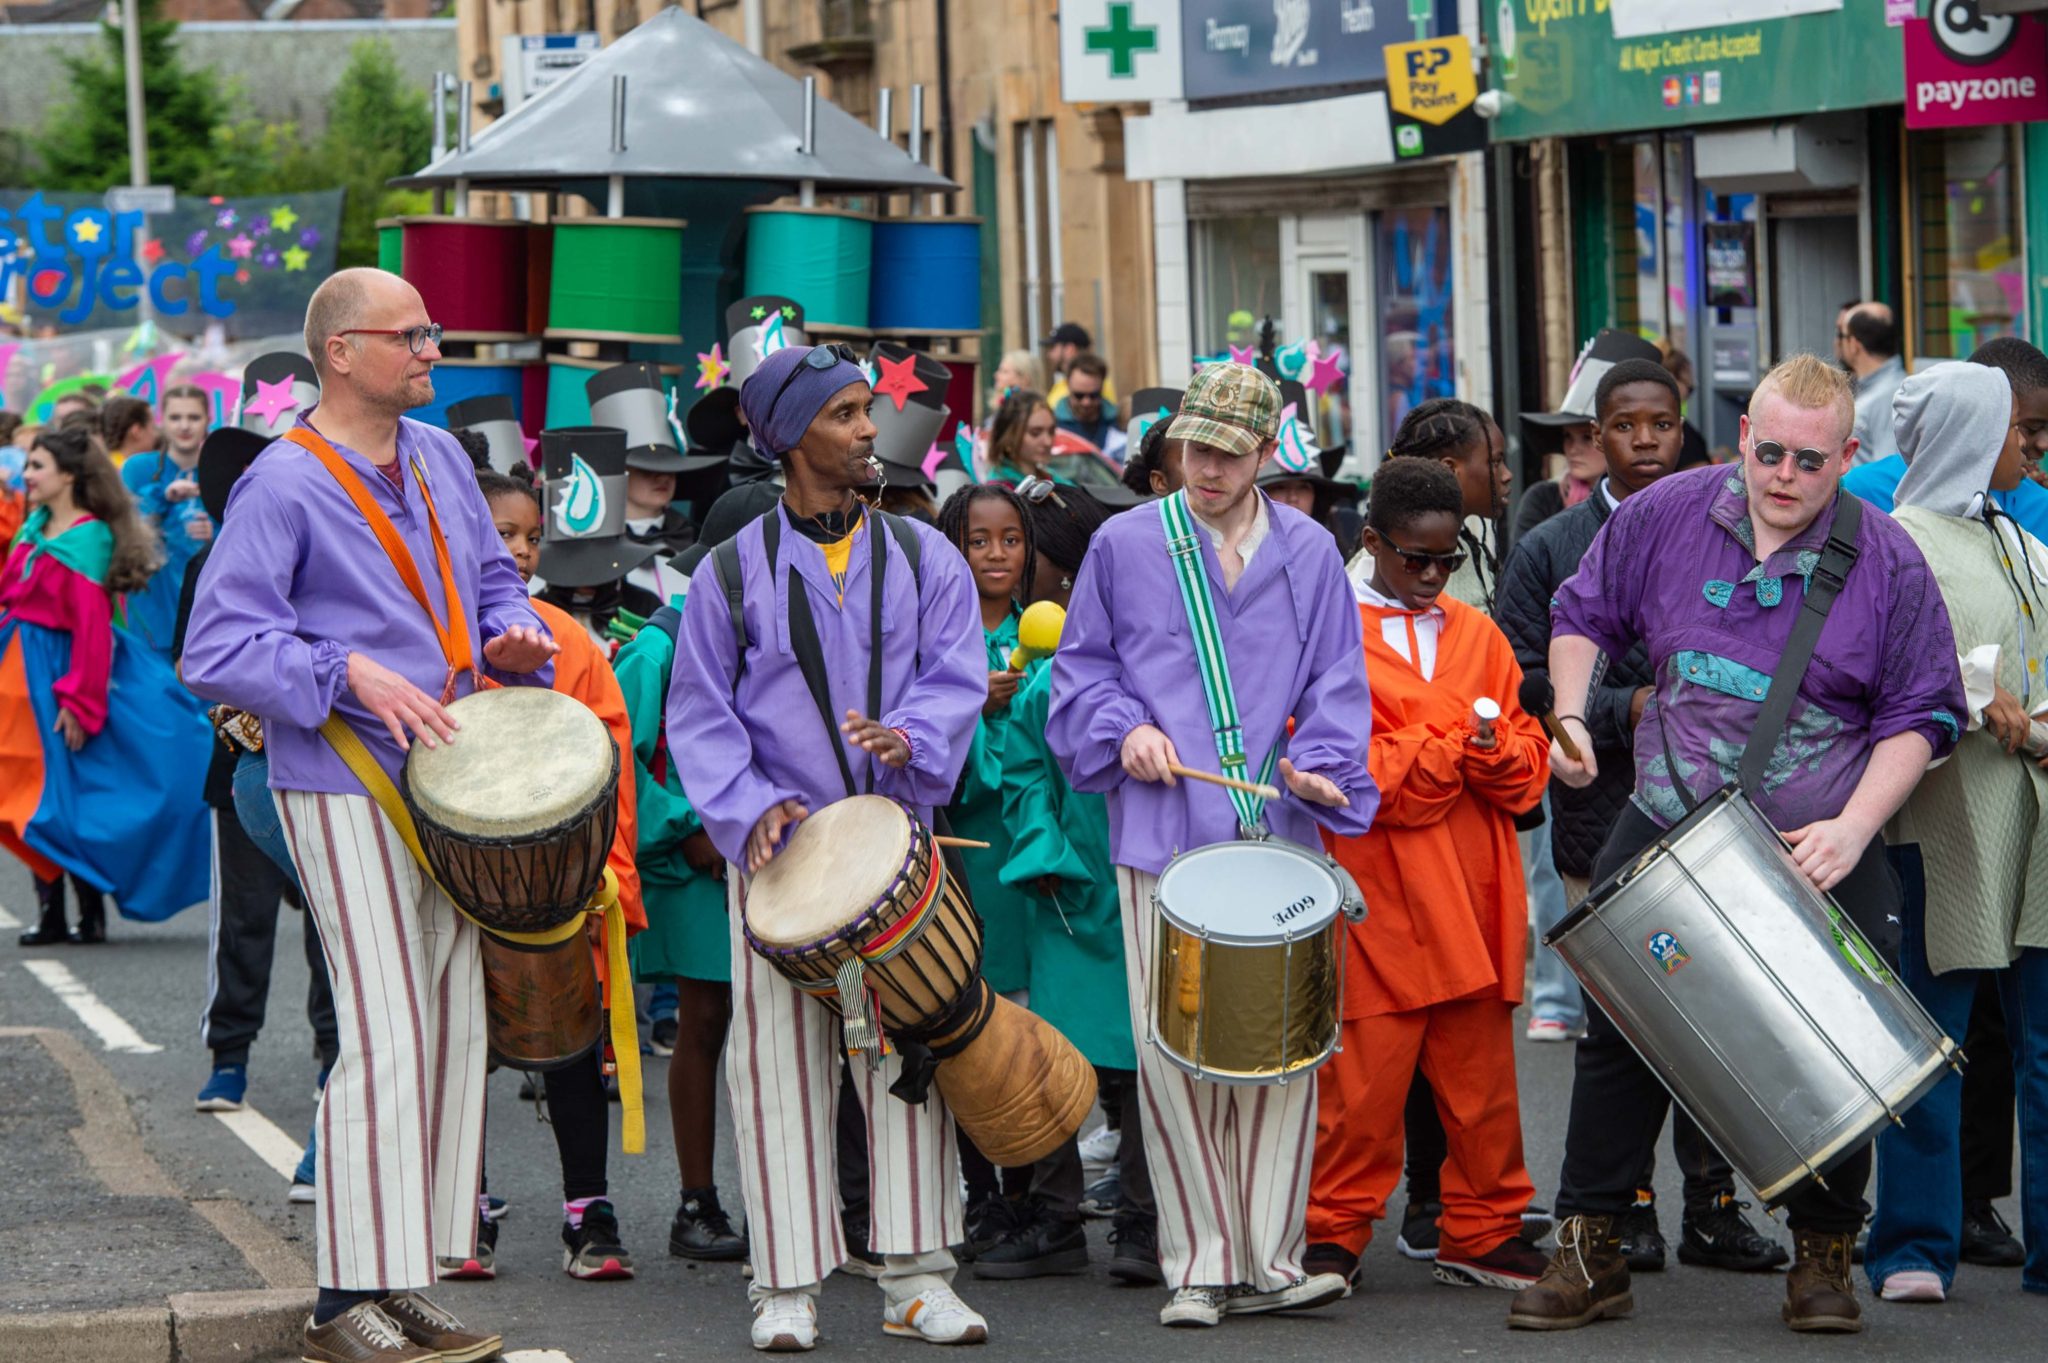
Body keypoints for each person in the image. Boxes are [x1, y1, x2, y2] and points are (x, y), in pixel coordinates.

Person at [1510, 354, 1968, 1335]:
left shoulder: (1884, 558)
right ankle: (1590, 1245)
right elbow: (1579, 614)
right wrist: (1572, 714)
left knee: (1831, 1049)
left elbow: (1923, 711)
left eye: (1810, 459)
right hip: (1670, 821)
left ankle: (1821, 1255)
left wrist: (1852, 827)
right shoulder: (1666, 512)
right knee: (1619, 1034)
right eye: (1767, 452)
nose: (1784, 475)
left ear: (1848, 454)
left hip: (1819, 842)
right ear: (1740, 441)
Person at [183, 267, 557, 1363]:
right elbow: (217, 649)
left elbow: (493, 582)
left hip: (455, 775)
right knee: (386, 1032)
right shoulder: (283, 483)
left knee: (445, 1034)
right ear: (341, 351)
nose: (433, 353)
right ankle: (341, 1301)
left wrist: (511, 634)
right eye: (414, 337)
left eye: (433, 335)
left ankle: (402, 1277)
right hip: (341, 778)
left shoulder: (441, 455)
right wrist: (344, 669)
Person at [666, 342, 991, 1352]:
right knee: (774, 1069)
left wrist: (919, 736)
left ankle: (915, 1275)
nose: (867, 428)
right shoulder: (727, 572)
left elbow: (956, 673)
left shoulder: (924, 555)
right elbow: (700, 711)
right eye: (848, 412)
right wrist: (747, 804)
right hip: (778, 857)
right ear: (792, 432)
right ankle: (786, 1283)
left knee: (905, 1061)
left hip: (896, 851)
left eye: (865, 411)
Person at [1046, 361, 1376, 1329]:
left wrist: (1319, 764)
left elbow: (1333, 685)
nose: (1205, 467)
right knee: (1175, 1053)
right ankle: (1196, 1261)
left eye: (1228, 453)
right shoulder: (1123, 543)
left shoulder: (1312, 550)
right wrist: (1120, 728)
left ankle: (1270, 1259)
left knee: (1281, 1050)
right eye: (1192, 447)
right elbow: (1080, 671)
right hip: (1160, 831)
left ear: (1265, 455)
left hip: (1274, 828)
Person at [1493, 357, 1779, 1273]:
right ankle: (1628, 1207)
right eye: (1625, 425)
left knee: (1716, 1013)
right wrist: (1622, 707)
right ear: (1594, 435)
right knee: (1624, 1018)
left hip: (1715, 810)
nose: (1646, 440)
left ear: (1685, 424)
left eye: (1662, 423)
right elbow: (1518, 668)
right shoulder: (1553, 544)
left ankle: (1714, 1202)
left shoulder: (1728, 526)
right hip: (1603, 810)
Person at [1305, 457, 1548, 1291]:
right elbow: (1343, 776)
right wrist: (1455, 746)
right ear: (1370, 540)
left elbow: (1528, 767)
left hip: (1476, 888)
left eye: (1449, 556)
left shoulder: (1479, 634)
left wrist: (1492, 750)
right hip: (1380, 896)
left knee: (1483, 1086)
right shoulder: (1327, 631)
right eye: (1415, 557)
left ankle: (1482, 1230)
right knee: (1360, 1089)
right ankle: (1331, 1232)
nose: (1434, 573)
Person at [1866, 360, 2048, 1302]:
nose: (2034, 444)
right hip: (1943, 827)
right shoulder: (1893, 544)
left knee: (2044, 1049)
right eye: (2021, 428)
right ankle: (1910, 1246)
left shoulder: (2022, 540)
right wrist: (1984, 698)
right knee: (1931, 1040)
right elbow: (1888, 667)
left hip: (2037, 824)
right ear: (1979, 436)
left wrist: (2034, 720)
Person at [449, 468, 645, 1283]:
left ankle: (587, 1210)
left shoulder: (570, 638)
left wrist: (605, 877)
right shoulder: (436, 632)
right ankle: (464, 1201)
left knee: (573, 1046)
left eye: (531, 535)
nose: (522, 549)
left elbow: (609, 754)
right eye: (502, 534)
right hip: (460, 881)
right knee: (463, 1047)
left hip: (560, 884)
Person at [992, 482, 1158, 1286]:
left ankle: (1145, 1220)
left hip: (1148, 875)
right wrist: (1041, 845)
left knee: (1149, 1058)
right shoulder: (1042, 679)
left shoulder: (1159, 659)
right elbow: (1023, 770)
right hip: (1067, 890)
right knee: (1051, 1055)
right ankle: (1055, 1218)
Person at [614, 486, 780, 1267]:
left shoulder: (775, 636)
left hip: (762, 850)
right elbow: (624, 769)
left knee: (774, 1024)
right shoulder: (656, 647)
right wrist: (694, 829)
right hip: (693, 859)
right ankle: (696, 1200)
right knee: (707, 1018)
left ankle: (789, 1200)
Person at [178, 384, 341, 1117]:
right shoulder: (207, 561)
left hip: (330, 760)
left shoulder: (339, 564)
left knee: (331, 920)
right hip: (239, 765)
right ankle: (229, 1057)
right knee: (242, 919)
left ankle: (335, 1057)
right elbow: (198, 657)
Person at [2, 426, 212, 943]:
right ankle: (51, 910)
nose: (25, 475)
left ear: (68, 475)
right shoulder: (35, 525)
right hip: (18, 671)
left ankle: (86, 910)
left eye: (36, 467)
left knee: (61, 795)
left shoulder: (89, 535)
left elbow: (92, 624)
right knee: (25, 794)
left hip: (57, 672)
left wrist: (80, 698)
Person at [1843, 337, 2048, 540]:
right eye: (2030, 427)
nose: (2044, 445)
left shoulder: (2038, 505)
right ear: (1976, 418)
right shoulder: (1860, 492)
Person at [1516, 331, 1665, 539]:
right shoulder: (1543, 500)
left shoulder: (1669, 502)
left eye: (1587, 437)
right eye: (1568, 436)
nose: (1573, 449)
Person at [119, 387, 214, 658]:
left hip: (206, 608)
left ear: (208, 419)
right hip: (153, 609)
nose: (184, 426)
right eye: (175, 417)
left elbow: (243, 532)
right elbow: (128, 528)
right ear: (162, 421)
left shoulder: (222, 469)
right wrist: (163, 495)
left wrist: (214, 535)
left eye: (193, 417)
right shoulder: (138, 468)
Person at [1838, 302, 1906, 466]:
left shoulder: (1889, 396)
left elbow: (1888, 469)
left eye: (1842, 335)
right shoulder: (1889, 389)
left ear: (1854, 345)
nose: (1838, 343)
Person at [1054, 354, 1125, 464]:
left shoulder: (1120, 421)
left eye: (1094, 395)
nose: (1086, 402)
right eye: (1079, 395)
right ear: (1068, 386)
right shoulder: (1053, 425)